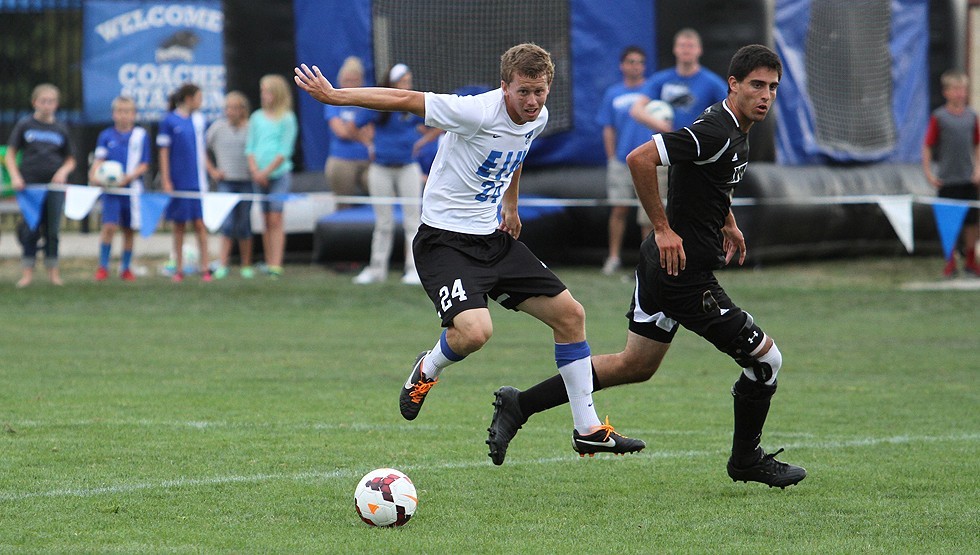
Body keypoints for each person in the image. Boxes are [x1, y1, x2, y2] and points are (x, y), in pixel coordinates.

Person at [295, 43, 645, 458]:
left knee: (571, 315)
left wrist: (510, 206)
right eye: (523, 92)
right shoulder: (473, 111)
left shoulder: (538, 116)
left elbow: (517, 153)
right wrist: (336, 96)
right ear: (504, 87)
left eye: (540, 91)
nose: (532, 101)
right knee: (476, 333)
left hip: (492, 239)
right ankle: (427, 368)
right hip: (444, 241)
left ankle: (587, 429)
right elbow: (405, 99)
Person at [486, 45, 808, 488]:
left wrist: (727, 222)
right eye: (756, 85)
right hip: (683, 274)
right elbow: (640, 158)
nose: (765, 94)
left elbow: (708, 180)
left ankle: (519, 405)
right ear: (733, 85)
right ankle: (746, 461)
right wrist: (662, 226)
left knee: (634, 365)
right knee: (766, 360)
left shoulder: (736, 128)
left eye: (772, 87)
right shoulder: (715, 129)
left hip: (660, 267)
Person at [350, 63, 428, 285]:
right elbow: (357, 123)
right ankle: (377, 270)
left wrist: (421, 142)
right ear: (393, 83)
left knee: (413, 221)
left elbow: (437, 123)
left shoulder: (411, 105)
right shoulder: (382, 105)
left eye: (408, 81)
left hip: (408, 168)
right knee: (383, 222)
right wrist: (369, 145)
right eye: (404, 81)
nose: (408, 85)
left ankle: (414, 269)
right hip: (381, 168)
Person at [4, 83, 76, 287]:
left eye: (51, 101)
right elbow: (10, 154)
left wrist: (62, 172)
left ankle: (53, 273)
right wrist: (15, 177)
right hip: (30, 188)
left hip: (54, 188)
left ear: (57, 104)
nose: (47, 105)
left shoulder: (61, 128)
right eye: (43, 101)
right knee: (30, 229)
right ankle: (27, 273)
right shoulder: (25, 125)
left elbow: (71, 159)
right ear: (35, 102)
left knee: (52, 230)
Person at [597, 46, 653, 275]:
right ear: (622, 65)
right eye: (630, 61)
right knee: (619, 208)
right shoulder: (613, 94)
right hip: (621, 162)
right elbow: (607, 127)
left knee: (648, 212)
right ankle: (613, 257)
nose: (635, 66)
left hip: (648, 161)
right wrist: (612, 158)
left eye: (639, 62)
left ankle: (648, 261)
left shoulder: (651, 91)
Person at [922, 69, 980, 278]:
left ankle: (971, 261)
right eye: (955, 89)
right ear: (946, 92)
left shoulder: (972, 116)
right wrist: (929, 173)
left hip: (968, 179)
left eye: (963, 89)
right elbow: (927, 145)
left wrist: (977, 169)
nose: (960, 93)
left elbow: (977, 145)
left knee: (972, 222)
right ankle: (950, 262)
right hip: (947, 179)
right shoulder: (939, 117)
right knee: (949, 223)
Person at [90, 96, 150, 281]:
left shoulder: (140, 135)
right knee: (109, 226)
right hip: (111, 190)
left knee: (129, 229)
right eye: (120, 111)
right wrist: (94, 175)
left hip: (131, 190)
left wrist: (129, 177)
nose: (124, 115)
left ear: (133, 115)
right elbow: (99, 160)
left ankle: (125, 267)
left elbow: (144, 164)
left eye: (128, 112)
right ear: (114, 114)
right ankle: (103, 266)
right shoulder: (106, 136)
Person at [158, 83, 212, 283]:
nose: (201, 102)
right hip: (179, 181)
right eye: (198, 97)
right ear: (188, 99)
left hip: (196, 182)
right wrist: (166, 179)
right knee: (179, 225)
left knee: (199, 224)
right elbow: (164, 152)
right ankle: (178, 268)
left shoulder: (199, 121)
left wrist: (211, 170)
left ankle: (204, 267)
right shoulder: (169, 121)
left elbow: (200, 151)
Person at [247, 74, 298, 280]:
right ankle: (268, 261)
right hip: (258, 175)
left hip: (278, 174)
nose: (263, 96)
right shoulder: (256, 117)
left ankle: (276, 263)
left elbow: (284, 150)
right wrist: (255, 172)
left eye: (267, 91)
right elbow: (250, 147)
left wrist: (266, 172)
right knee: (265, 218)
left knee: (276, 218)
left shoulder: (287, 118)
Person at [629, 28, 729, 133]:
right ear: (675, 49)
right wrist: (658, 124)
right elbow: (636, 110)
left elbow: (731, 107)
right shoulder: (660, 79)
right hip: (666, 143)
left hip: (695, 144)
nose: (686, 50)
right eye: (682, 46)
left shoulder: (711, 82)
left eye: (690, 46)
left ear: (699, 50)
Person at [206, 91, 255, 279]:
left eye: (235, 108)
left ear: (242, 110)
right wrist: (213, 170)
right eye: (228, 108)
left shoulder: (251, 128)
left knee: (244, 224)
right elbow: (203, 150)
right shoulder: (217, 128)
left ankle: (246, 265)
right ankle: (223, 263)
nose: (231, 112)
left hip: (246, 181)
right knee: (227, 224)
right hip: (226, 182)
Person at [324, 57, 373, 211]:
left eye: (354, 80)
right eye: (347, 80)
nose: (350, 84)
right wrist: (359, 133)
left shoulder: (368, 100)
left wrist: (350, 129)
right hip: (342, 157)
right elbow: (341, 133)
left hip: (367, 159)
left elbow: (371, 132)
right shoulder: (333, 102)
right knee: (343, 202)